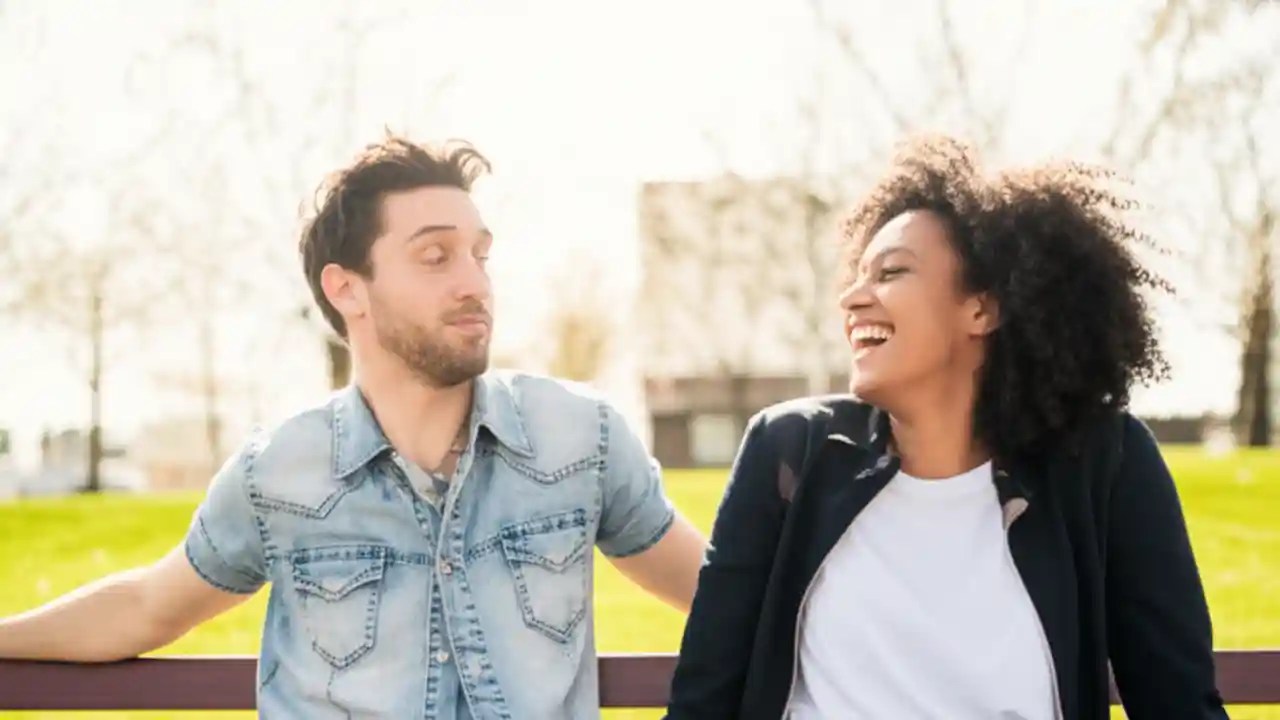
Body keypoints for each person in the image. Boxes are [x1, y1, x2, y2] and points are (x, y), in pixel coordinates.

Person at [0, 134, 707, 719]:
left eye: (479, 254)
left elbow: (724, 594)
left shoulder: (581, 439)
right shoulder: (278, 473)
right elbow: (147, 607)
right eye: (436, 256)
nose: (474, 283)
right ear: (347, 289)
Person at [665, 135, 1227, 720]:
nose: (853, 298)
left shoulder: (1103, 463)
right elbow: (702, 700)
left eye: (892, 272)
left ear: (981, 309)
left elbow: (1178, 701)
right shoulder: (789, 453)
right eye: (857, 276)